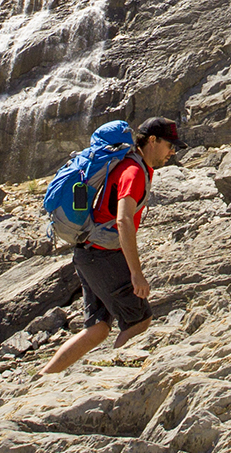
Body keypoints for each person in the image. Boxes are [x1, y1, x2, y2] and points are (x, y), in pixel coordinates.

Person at [42, 116, 181, 374]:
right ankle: (118, 377)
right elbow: (124, 220)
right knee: (138, 321)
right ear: (152, 140)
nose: (172, 152)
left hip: (88, 253)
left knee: (97, 329)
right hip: (102, 255)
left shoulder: (130, 165)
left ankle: (43, 378)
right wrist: (136, 274)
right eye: (170, 145)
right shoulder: (134, 171)